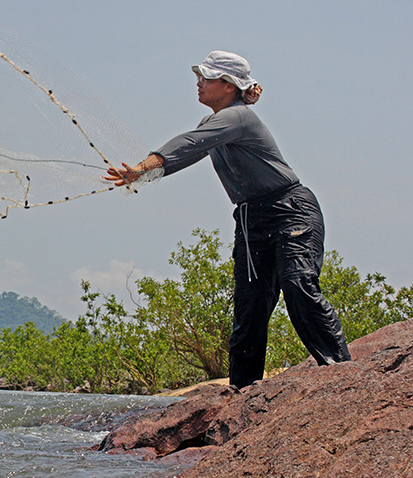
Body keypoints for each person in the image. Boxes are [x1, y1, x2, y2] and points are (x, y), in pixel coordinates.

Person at [106, 50, 351, 389]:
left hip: (290, 210)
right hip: (252, 221)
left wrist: (144, 165)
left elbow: (188, 143)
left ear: (227, 85)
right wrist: (141, 175)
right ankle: (244, 389)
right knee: (250, 305)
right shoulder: (215, 123)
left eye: (205, 78)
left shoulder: (239, 117)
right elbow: (189, 152)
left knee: (297, 284)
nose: (198, 83)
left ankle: (339, 373)